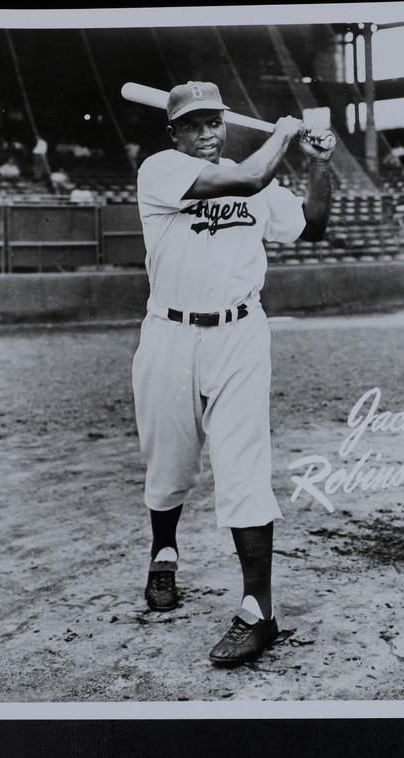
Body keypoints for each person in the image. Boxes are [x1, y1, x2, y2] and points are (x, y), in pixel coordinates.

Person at [131, 80, 336, 667]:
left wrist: (318, 166)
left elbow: (313, 226)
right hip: (168, 333)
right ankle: (164, 552)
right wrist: (283, 134)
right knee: (168, 464)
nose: (205, 134)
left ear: (224, 125)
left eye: (213, 122)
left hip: (241, 332)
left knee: (244, 469)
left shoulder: (257, 181)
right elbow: (247, 179)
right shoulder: (161, 170)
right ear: (174, 133)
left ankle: (259, 610)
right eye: (193, 124)